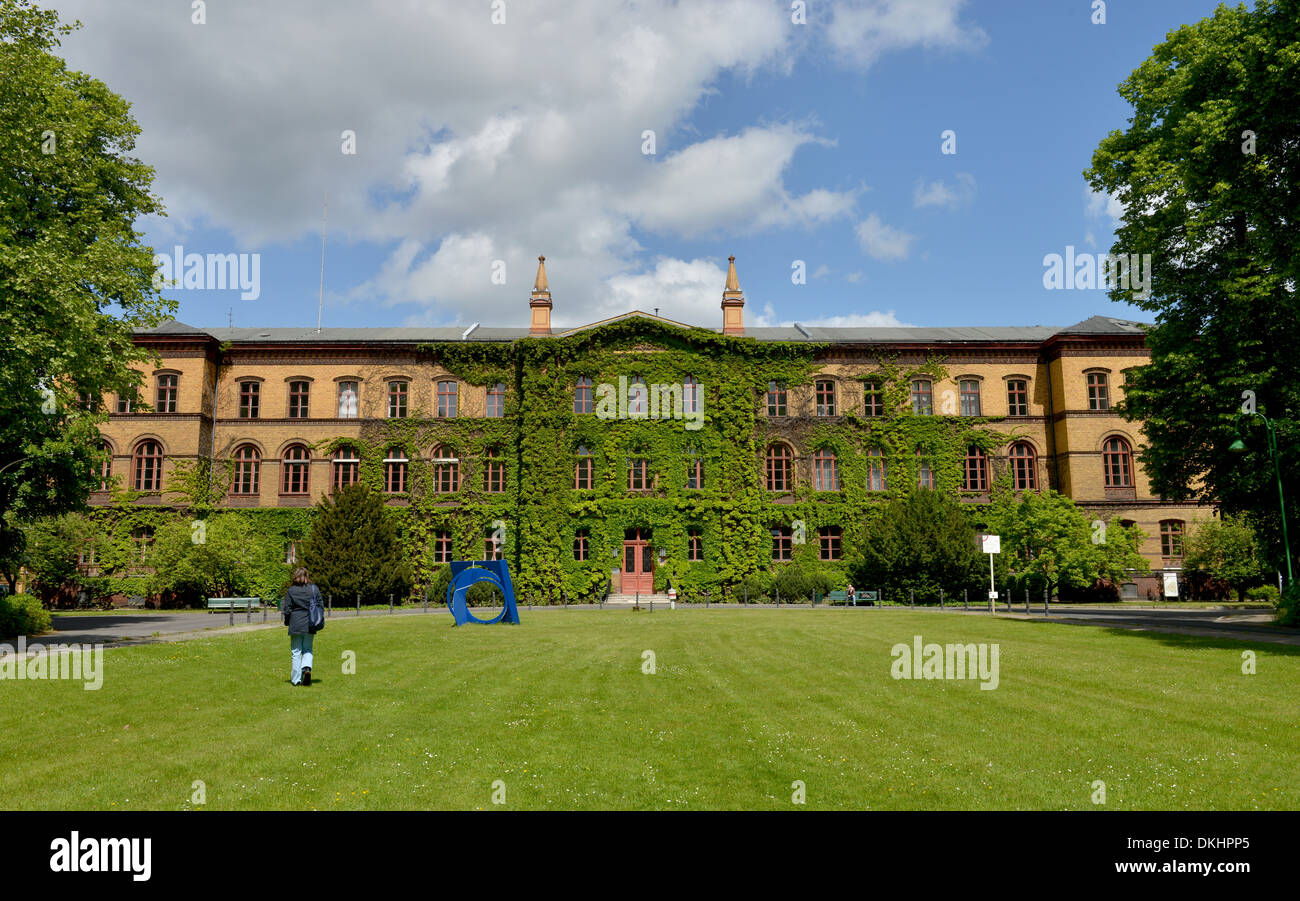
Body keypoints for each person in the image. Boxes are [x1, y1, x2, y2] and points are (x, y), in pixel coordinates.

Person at [282, 567, 319, 686]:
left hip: (296, 623)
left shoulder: (291, 590)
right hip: (310, 622)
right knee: (307, 649)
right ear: (307, 576)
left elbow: (287, 609)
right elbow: (320, 606)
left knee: (296, 652)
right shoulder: (314, 589)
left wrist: (287, 622)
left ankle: (296, 680)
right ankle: (307, 668)